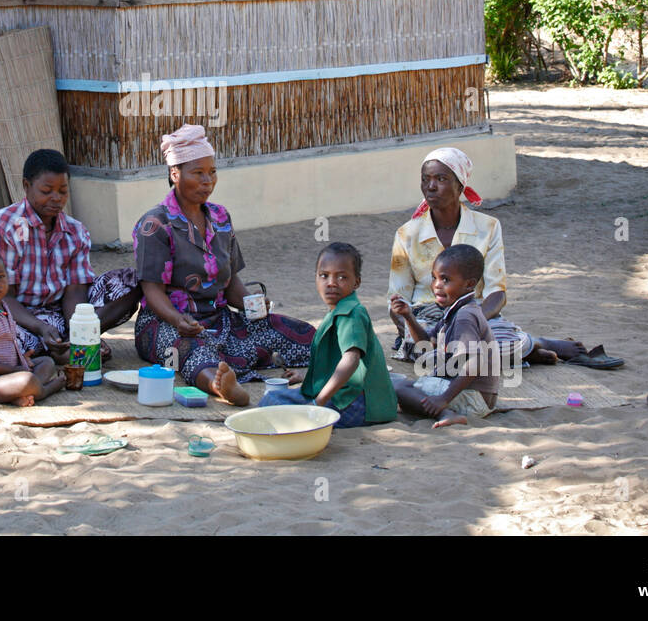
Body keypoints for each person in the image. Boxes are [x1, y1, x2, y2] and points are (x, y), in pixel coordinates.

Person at [126, 124, 315, 406]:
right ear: (174, 174)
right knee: (192, 352)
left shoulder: (220, 217)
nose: (208, 181)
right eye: (198, 173)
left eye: (212, 172)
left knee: (301, 334)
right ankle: (220, 386)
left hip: (220, 320)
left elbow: (231, 284)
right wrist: (179, 320)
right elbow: (152, 291)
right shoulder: (155, 225)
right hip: (168, 323)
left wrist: (255, 306)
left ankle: (329, 366)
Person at [388, 147, 618, 368]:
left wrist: (466, 323)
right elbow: (397, 300)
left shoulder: (487, 227)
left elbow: (496, 294)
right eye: (425, 179)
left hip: (474, 313)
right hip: (424, 319)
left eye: (441, 179)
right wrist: (412, 327)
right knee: (429, 355)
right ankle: (528, 348)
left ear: (460, 185)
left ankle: (536, 343)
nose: (430, 186)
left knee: (468, 349)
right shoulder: (406, 234)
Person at [0, 149, 141, 361]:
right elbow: (1, 297)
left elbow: (75, 290)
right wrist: (40, 327)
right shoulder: (2, 228)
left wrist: (79, 331)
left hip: (59, 315)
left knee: (131, 282)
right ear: (26, 186)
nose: (56, 198)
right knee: (2, 341)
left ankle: (71, 344)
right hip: (17, 317)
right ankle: (58, 350)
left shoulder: (75, 231)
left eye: (63, 191)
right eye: (46, 191)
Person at [259, 242, 397, 427]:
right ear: (315, 278)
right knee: (272, 399)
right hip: (346, 395)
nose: (331, 283)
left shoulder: (351, 313)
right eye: (324, 276)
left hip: (362, 404)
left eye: (342, 277)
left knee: (277, 408)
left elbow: (351, 359)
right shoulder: (337, 311)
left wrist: (318, 403)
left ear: (356, 282)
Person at [391, 244, 498, 428]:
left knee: (397, 387)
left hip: (473, 399)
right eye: (434, 278)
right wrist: (408, 315)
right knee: (398, 383)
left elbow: (476, 362)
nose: (437, 286)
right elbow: (426, 344)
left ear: (469, 284)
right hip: (468, 394)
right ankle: (443, 407)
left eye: (445, 280)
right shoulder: (454, 310)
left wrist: (443, 400)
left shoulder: (465, 316)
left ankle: (446, 413)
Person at [0, 247, 65, 407]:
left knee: (47, 362)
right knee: (27, 379)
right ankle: (44, 391)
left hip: (7, 374)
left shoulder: (2, 306)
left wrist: (22, 360)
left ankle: (20, 394)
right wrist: (12, 370)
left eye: (0, 277)